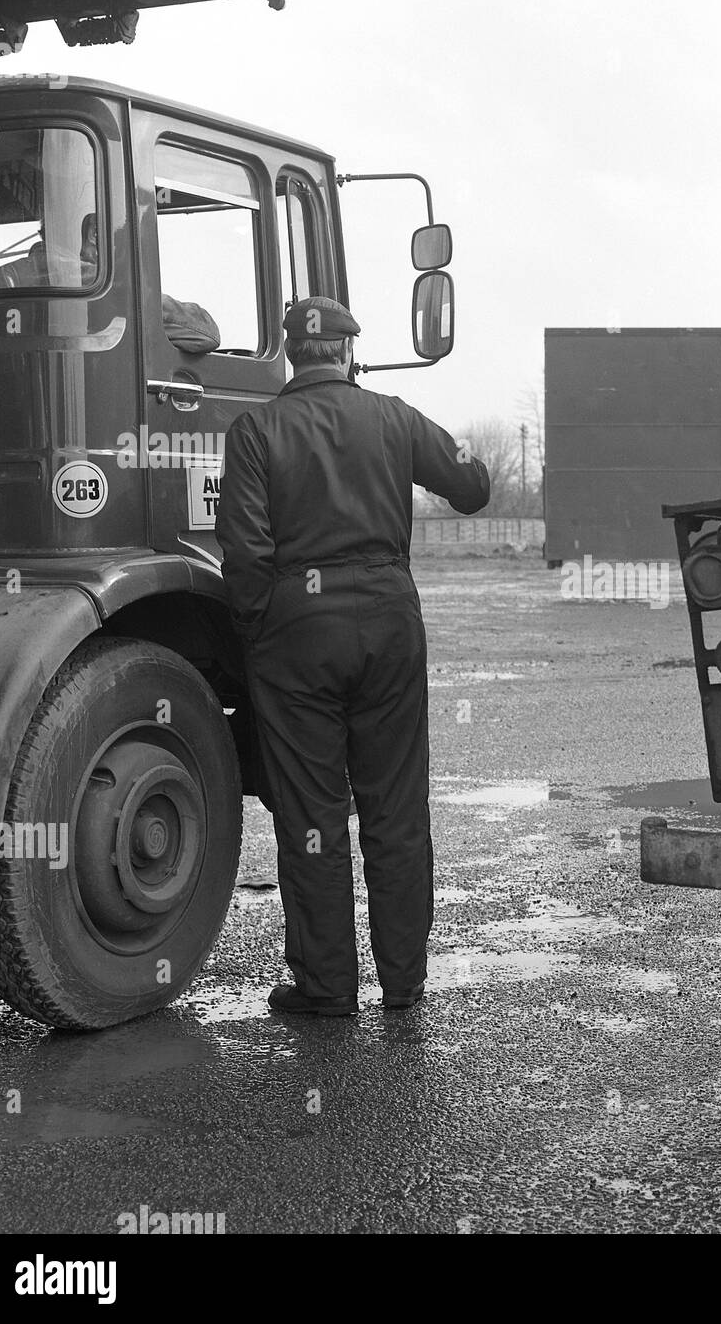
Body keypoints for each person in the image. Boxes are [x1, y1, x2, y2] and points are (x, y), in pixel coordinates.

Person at [216, 297, 490, 1016]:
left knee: (312, 815)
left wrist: (261, 638)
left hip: (296, 635)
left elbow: (243, 552)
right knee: (396, 809)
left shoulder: (254, 430)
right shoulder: (393, 416)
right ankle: (405, 982)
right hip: (389, 620)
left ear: (290, 355)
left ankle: (327, 987)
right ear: (347, 354)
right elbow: (473, 486)